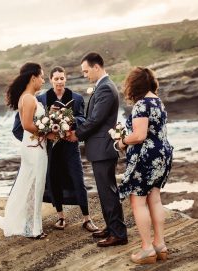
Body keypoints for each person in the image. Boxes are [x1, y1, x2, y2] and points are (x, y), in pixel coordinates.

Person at [11, 66, 99, 232]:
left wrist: (70, 121)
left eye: (62, 78)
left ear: (65, 79)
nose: (59, 81)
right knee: (53, 180)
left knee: (78, 180)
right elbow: (23, 123)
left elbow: (83, 118)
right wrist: (33, 141)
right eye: (55, 78)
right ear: (51, 80)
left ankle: (87, 219)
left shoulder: (77, 98)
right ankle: (60, 217)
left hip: (70, 146)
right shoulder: (41, 99)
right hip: (49, 148)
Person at [67, 52, 128, 247]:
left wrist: (77, 134)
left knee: (108, 192)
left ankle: (118, 234)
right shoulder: (103, 86)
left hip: (103, 148)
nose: (85, 75)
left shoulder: (106, 89)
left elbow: (96, 119)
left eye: (86, 71)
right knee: (105, 191)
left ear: (96, 67)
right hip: (100, 148)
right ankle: (112, 228)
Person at [116, 67, 174, 264]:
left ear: (135, 84)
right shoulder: (158, 102)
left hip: (146, 157)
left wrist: (121, 142)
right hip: (162, 154)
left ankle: (147, 249)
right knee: (155, 199)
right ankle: (160, 245)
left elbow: (139, 136)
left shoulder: (142, 104)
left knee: (138, 201)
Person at [2, 63, 55, 239]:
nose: (42, 80)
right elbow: (26, 125)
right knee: (36, 187)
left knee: (33, 186)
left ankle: (30, 225)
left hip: (32, 146)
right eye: (41, 76)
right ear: (33, 78)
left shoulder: (28, 97)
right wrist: (48, 133)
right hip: (34, 148)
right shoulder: (29, 98)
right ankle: (33, 229)